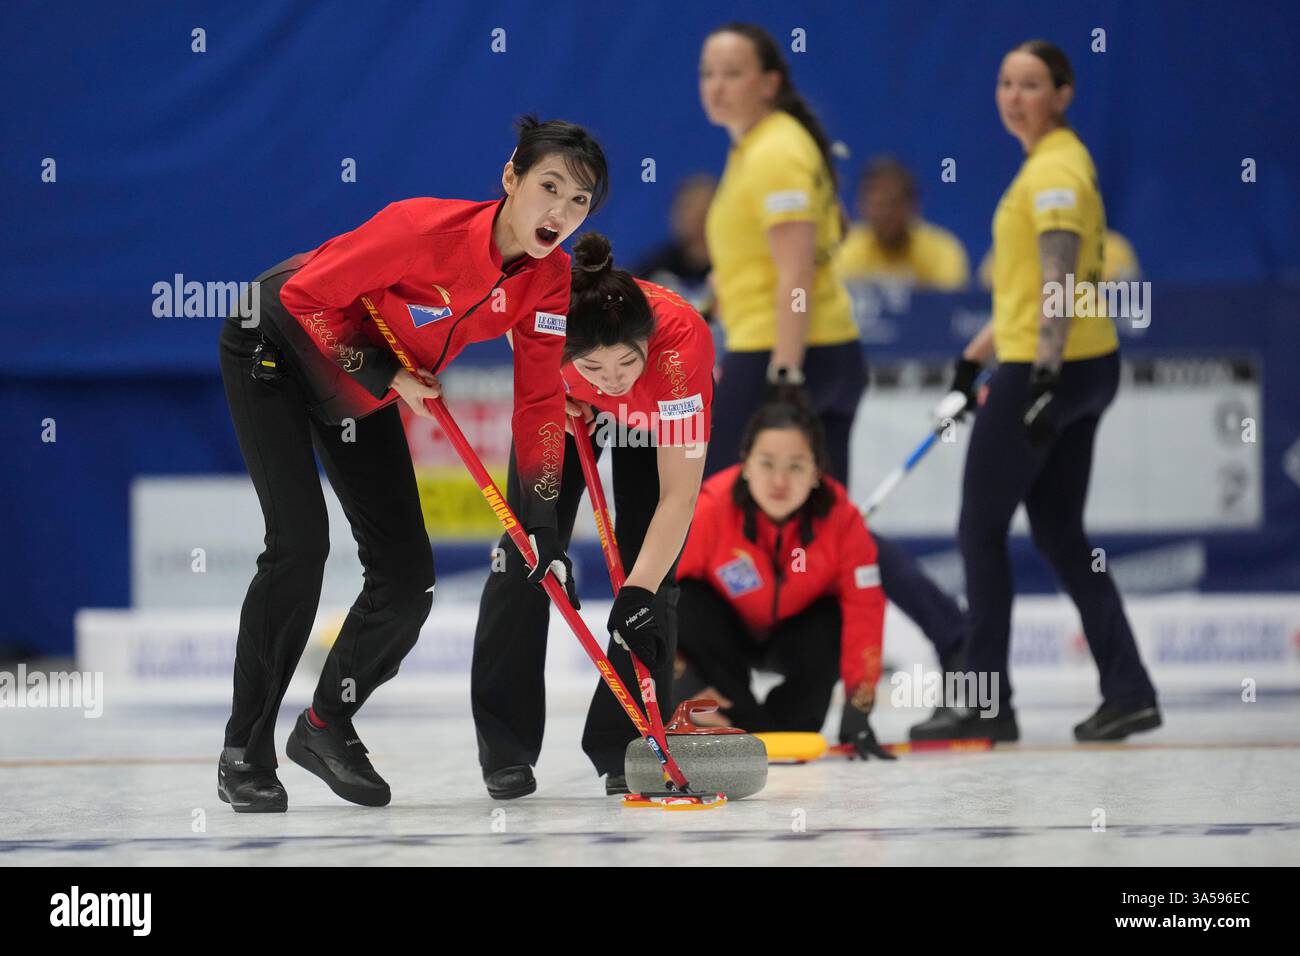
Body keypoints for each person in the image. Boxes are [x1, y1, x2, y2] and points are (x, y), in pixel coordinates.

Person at [215, 117, 608, 812]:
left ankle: (325, 725)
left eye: (579, 202)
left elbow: (542, 398)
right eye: (549, 187)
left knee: (406, 579)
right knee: (300, 546)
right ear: (510, 178)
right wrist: (383, 373)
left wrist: (541, 515)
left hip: (364, 381)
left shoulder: (549, 279)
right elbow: (308, 299)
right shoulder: (419, 229)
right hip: (274, 343)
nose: (561, 213)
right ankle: (245, 750)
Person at [697, 21, 967, 686]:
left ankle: (709, 669)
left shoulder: (777, 154)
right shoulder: (756, 149)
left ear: (770, 81)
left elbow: (796, 276)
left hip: (789, 356)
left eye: (733, 72)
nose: (717, 86)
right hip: (812, 352)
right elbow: (757, 269)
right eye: (708, 72)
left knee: (704, 504)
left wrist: (786, 378)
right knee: (830, 523)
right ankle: (946, 633)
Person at [911, 41, 1160, 744]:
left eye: (1031, 85)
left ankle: (986, 701)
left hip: (1052, 370)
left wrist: (1041, 376)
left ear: (1064, 93)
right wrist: (973, 358)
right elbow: (1032, 292)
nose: (1015, 97)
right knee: (1058, 533)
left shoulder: (1054, 170)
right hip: (1082, 365)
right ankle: (1130, 689)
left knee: (979, 530)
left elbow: (1057, 281)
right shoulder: (1054, 163)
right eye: (1005, 83)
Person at [472, 232, 714, 798]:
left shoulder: (679, 351)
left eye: (626, 361)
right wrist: (549, 386)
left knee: (650, 578)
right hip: (565, 412)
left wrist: (637, 593)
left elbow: (679, 496)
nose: (613, 379)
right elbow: (513, 327)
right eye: (596, 366)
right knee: (526, 556)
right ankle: (505, 747)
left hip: (649, 423)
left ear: (646, 343)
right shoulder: (547, 315)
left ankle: (624, 743)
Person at [674, 399, 894, 759]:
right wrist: (685, 683)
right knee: (684, 599)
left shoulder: (844, 521)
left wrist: (859, 705)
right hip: (722, 641)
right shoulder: (709, 510)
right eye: (766, 463)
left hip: (798, 635)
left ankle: (774, 723)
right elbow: (656, 599)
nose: (779, 481)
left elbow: (865, 611)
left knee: (831, 621)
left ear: (817, 471)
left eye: (795, 466)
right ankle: (733, 714)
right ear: (745, 463)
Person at [833, 156, 969, 290]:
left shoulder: (942, 251)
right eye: (878, 205)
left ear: (913, 206)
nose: (885, 214)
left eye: (893, 203)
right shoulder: (845, 250)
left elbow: (950, 304)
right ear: (860, 206)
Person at [633, 173, 717, 315]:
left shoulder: (735, 269)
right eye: (689, 209)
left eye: (704, 211)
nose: (697, 219)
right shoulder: (652, 271)